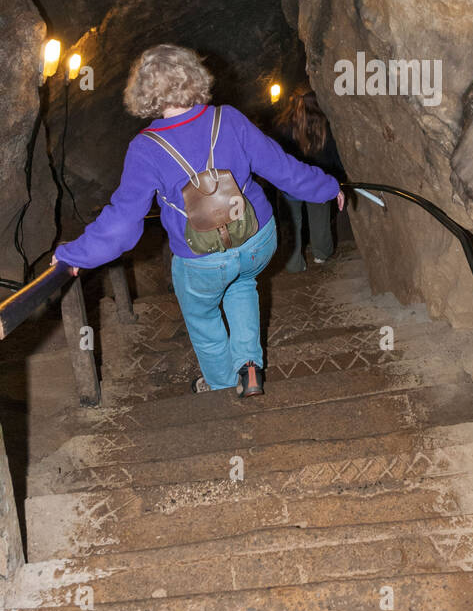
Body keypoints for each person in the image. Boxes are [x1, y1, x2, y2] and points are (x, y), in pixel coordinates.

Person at [54, 45, 344, 397]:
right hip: (256, 240)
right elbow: (283, 169)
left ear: (143, 92)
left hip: (202, 258)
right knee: (242, 285)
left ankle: (222, 385)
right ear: (195, 77)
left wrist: (75, 254)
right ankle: (249, 366)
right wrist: (328, 187)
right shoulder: (231, 119)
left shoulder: (145, 149)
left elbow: (122, 223)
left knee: (204, 318)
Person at [274, 86, 343, 272]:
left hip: (292, 183)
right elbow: (334, 156)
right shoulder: (325, 126)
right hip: (318, 183)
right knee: (320, 218)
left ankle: (294, 264)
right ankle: (321, 254)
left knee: (292, 222)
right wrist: (338, 179)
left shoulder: (282, 126)